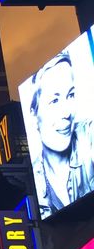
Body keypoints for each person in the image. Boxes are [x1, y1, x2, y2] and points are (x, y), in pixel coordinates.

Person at [27, 51, 94, 218]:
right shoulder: (35, 175)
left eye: (70, 95)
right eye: (54, 100)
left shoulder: (88, 136)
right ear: (34, 114)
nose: (66, 112)